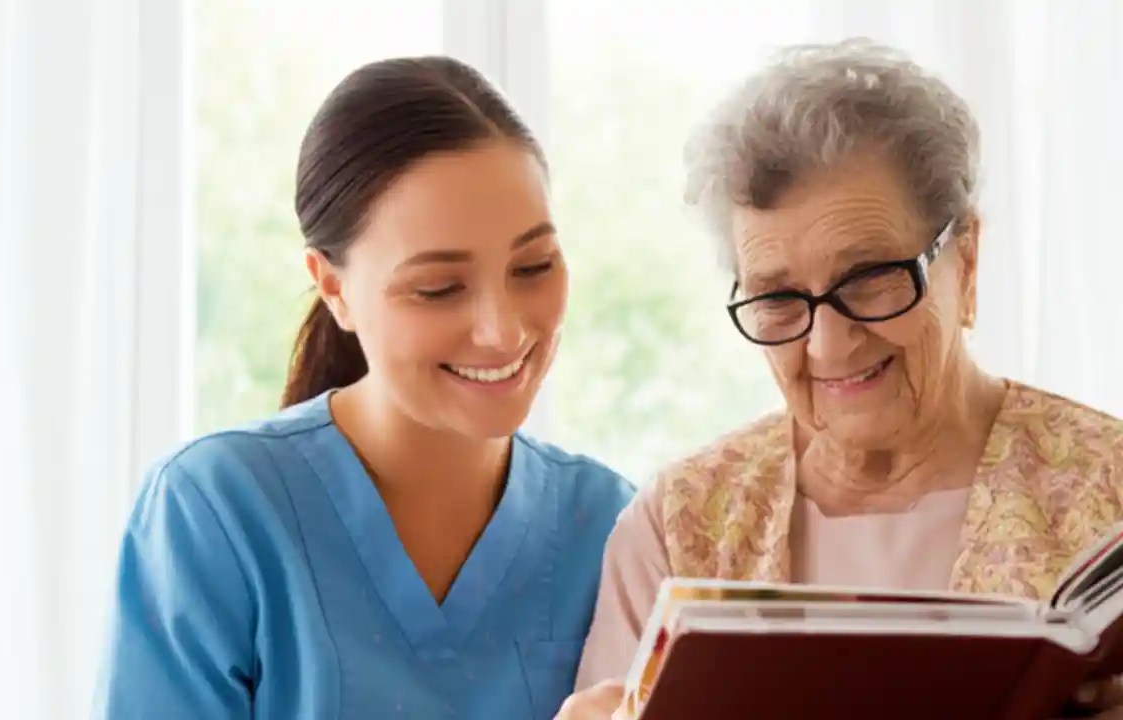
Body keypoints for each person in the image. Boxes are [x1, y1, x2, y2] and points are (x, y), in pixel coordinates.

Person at [558, 39, 1123, 719]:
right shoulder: (679, 526)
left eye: (871, 279)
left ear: (966, 263)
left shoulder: (1109, 485)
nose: (829, 344)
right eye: (778, 298)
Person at [93, 56, 634, 719]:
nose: (501, 330)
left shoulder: (610, 524)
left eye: (534, 266)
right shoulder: (216, 512)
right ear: (334, 288)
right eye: (438, 288)